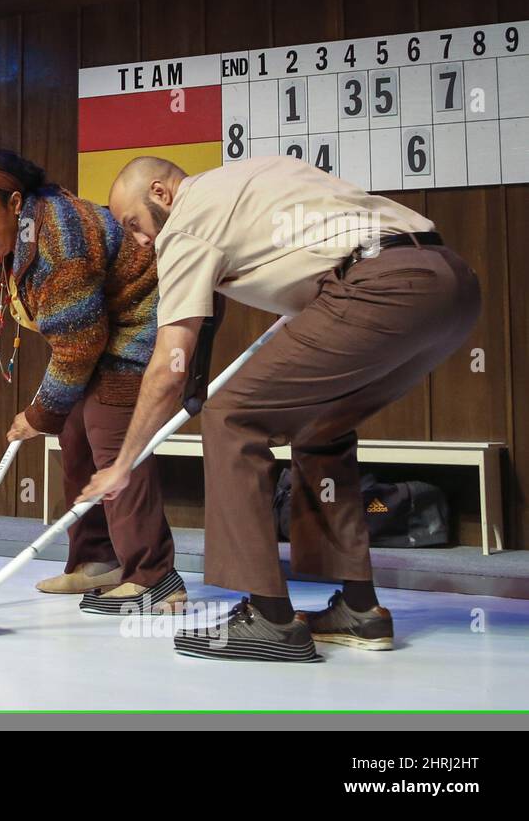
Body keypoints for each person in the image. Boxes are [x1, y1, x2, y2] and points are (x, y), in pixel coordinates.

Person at [83, 154, 480, 660]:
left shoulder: (185, 222)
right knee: (320, 427)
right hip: (449, 282)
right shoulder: (255, 173)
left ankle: (268, 616)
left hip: (378, 286)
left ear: (160, 194)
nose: (140, 241)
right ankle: (359, 610)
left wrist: (124, 463)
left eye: (133, 225)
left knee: (231, 416)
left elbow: (170, 363)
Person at [0, 149, 183, 614]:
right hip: (108, 333)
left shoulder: (56, 238)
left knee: (111, 431)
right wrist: (54, 415)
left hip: (148, 327)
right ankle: (99, 560)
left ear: (15, 203)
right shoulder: (30, 227)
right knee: (74, 432)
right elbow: (75, 337)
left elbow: (79, 344)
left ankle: (154, 576)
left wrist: (38, 415)